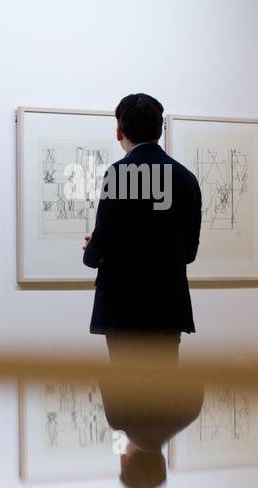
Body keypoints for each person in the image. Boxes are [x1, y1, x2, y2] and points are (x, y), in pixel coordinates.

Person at [82, 93, 202, 367]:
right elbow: (189, 252)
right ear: (159, 129)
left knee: (126, 400)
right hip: (169, 307)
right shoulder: (186, 179)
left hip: (124, 310)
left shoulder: (119, 174)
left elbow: (105, 241)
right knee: (163, 397)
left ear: (119, 131)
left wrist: (92, 251)